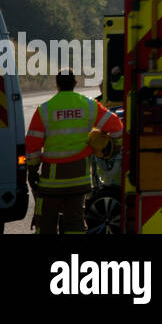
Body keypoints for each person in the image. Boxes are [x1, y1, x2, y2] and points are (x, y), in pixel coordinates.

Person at [26, 69, 123, 234]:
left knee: (46, 223)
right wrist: (111, 148)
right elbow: (117, 127)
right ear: (75, 84)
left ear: (56, 84)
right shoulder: (89, 105)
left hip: (51, 182)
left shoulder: (44, 110)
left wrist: (33, 170)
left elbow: (33, 145)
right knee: (75, 223)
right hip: (79, 178)